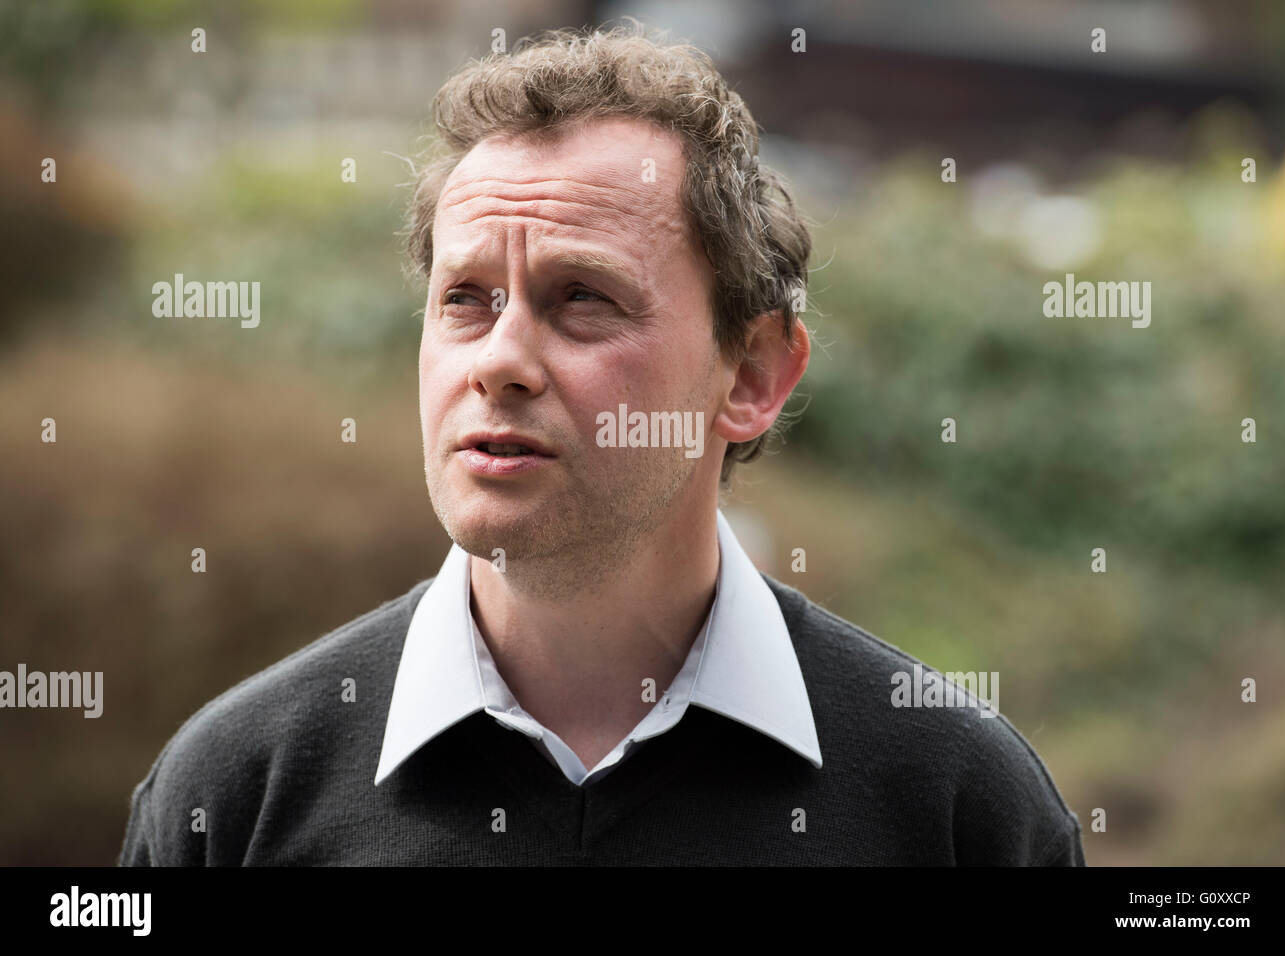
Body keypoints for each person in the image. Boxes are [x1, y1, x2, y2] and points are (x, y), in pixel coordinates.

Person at [119, 21, 1085, 866]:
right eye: (465, 299)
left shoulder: (959, 807)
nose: (499, 361)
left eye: (581, 298)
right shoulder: (233, 796)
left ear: (750, 376)